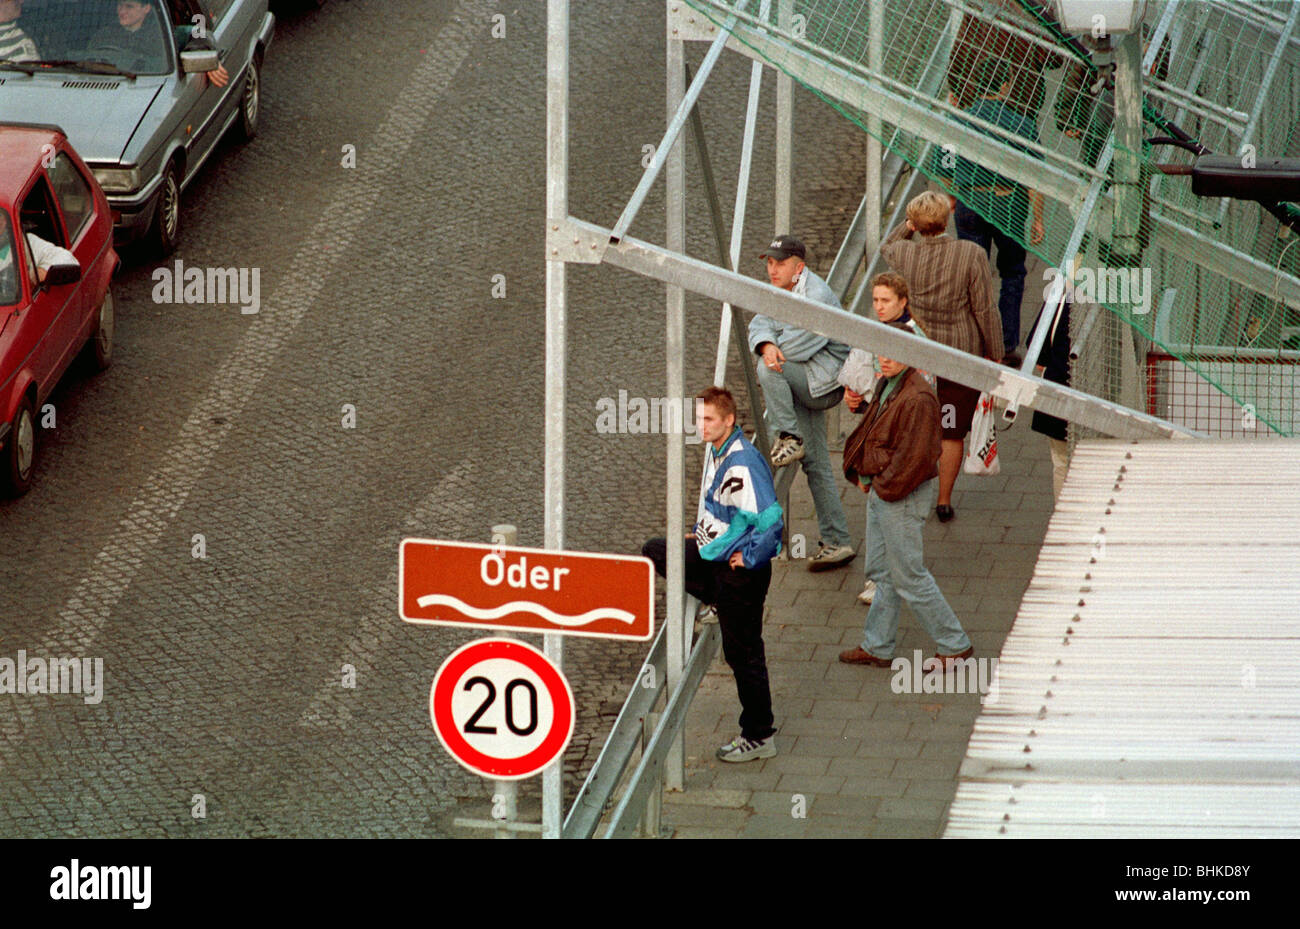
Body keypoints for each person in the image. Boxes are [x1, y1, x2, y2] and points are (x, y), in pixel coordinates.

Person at [642, 386, 782, 763]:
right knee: (657, 550)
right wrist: (699, 533)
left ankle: (759, 734)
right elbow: (718, 508)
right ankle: (717, 598)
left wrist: (749, 557)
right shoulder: (716, 452)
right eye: (698, 419)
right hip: (718, 557)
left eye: (708, 420)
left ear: (729, 421)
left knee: (744, 656)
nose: (700, 426)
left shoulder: (743, 462)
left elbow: (771, 521)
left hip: (741, 573)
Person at [838, 322, 974, 671]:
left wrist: (878, 485)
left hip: (897, 494)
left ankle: (954, 645)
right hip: (887, 490)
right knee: (882, 571)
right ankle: (878, 645)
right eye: (880, 352)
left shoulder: (916, 397)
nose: (883, 359)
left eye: (891, 352)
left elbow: (914, 459)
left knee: (908, 576)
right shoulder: (892, 383)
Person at [881, 191, 1002, 522]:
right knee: (951, 429)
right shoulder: (971, 254)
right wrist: (996, 352)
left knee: (919, 422)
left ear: (917, 225)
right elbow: (985, 309)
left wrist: (907, 226)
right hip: (961, 355)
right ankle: (944, 500)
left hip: (921, 354)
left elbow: (886, 246)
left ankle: (912, 486)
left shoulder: (906, 254)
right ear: (947, 218)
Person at [748, 234, 855, 571]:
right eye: (769, 262)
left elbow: (789, 353)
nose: (772, 269)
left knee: (767, 372)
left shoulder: (816, 297)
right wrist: (767, 343)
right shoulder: (783, 288)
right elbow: (760, 323)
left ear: (799, 267)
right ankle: (837, 541)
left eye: (779, 263)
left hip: (822, 384)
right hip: (805, 377)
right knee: (817, 463)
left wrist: (770, 350)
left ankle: (788, 436)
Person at [938, 59, 1046, 365]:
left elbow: (944, 165)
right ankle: (1007, 341)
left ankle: (974, 339)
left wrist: (953, 195)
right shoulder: (1021, 125)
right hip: (1009, 204)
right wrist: (1038, 218)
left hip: (970, 202)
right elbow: (1034, 179)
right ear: (1005, 86)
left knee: (974, 274)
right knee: (1012, 271)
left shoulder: (958, 121)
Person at [838, 271, 926, 606]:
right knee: (877, 516)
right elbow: (864, 380)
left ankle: (899, 578)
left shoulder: (913, 339)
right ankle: (881, 579)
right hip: (878, 439)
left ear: (903, 302)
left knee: (898, 519)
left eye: (885, 300)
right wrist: (854, 398)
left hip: (900, 444)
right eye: (875, 300)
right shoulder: (874, 332)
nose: (878, 306)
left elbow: (913, 391)